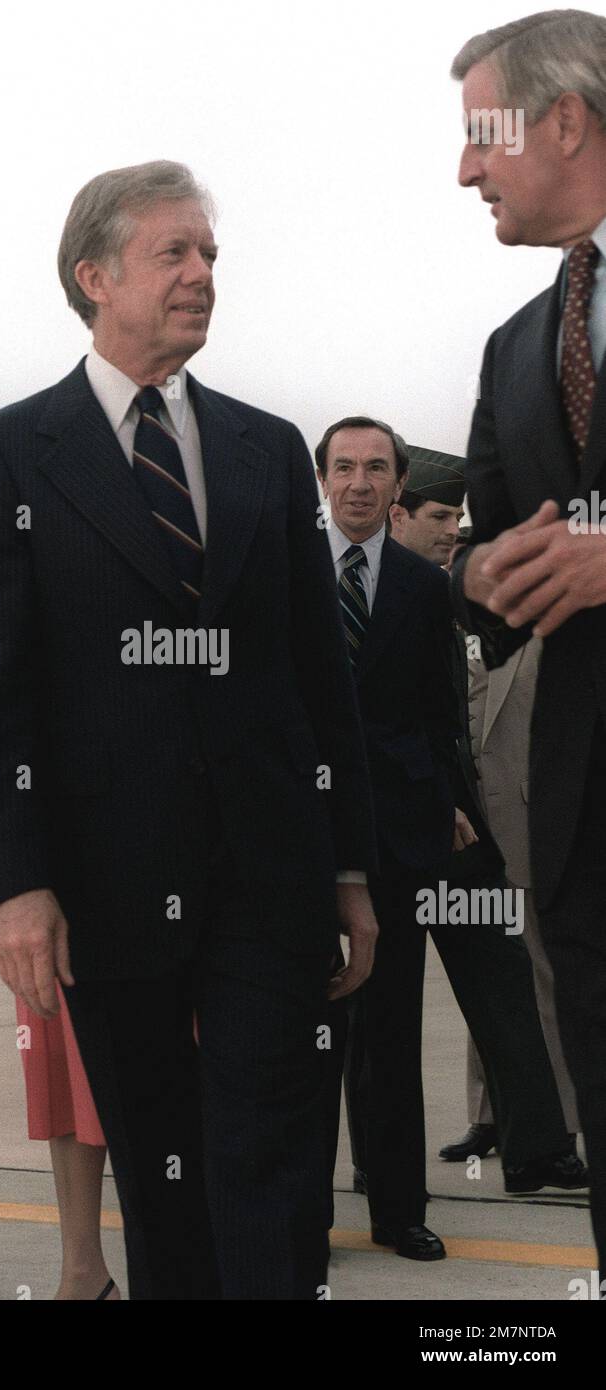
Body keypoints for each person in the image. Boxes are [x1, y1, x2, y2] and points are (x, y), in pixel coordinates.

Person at [0, 159, 379, 1300]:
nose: (200, 277)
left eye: (210, 257)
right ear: (93, 276)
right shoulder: (5, 455)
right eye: (173, 254)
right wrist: (15, 882)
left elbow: (314, 676)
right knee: (159, 1160)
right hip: (105, 881)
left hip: (267, 869)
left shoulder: (265, 448)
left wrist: (346, 861)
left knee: (271, 1150)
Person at [450, 9, 606, 1266]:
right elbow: (483, 560)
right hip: (582, 828)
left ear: (565, 119)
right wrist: (478, 569)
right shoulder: (512, 352)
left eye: (476, 135)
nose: (463, 170)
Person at [390, 450, 586, 1194]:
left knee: (529, 974)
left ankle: (550, 1125)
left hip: (522, 821)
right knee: (486, 980)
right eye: (445, 518)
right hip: (443, 823)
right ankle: (490, 1118)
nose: (460, 534)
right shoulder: (399, 599)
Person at [0, 680, 119, 1300]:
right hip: (56, 883)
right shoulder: (19, 601)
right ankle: (83, 1272)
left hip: (167, 857)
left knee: (179, 1091)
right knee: (68, 1088)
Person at [316, 416, 456, 1261]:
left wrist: (446, 807)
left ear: (398, 485)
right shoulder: (283, 571)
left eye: (377, 468)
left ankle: (399, 1208)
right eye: (344, 466)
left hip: (398, 839)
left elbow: (442, 717)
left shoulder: (421, 585)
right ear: (322, 479)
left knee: (392, 1031)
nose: (360, 482)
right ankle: (305, 1212)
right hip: (303, 834)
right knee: (309, 1034)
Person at [466, 634, 582, 1159]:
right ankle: (491, 1116)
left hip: (530, 828)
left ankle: (562, 1123)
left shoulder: (553, 629)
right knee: (487, 977)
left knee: (542, 977)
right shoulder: (441, 613)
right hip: (465, 828)